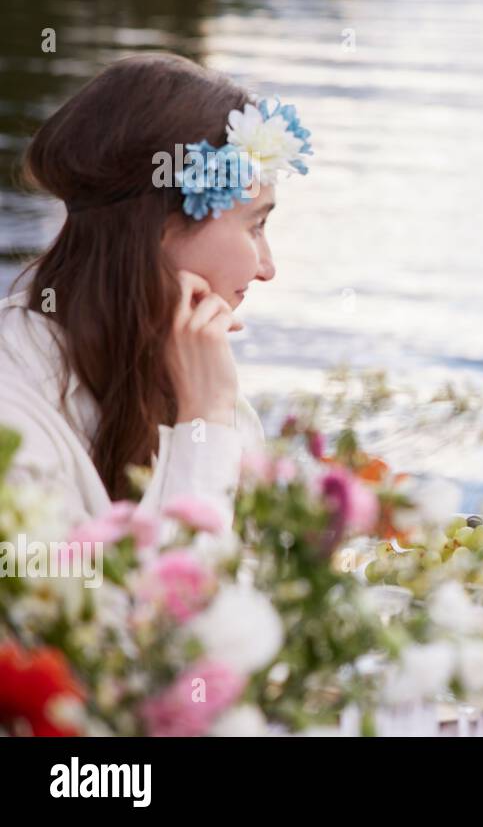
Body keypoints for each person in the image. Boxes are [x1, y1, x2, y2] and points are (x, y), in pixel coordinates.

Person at [0, 52, 311, 526]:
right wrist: (203, 418)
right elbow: (176, 599)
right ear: (161, 229)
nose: (268, 268)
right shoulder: (14, 409)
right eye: (255, 225)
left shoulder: (201, 382)